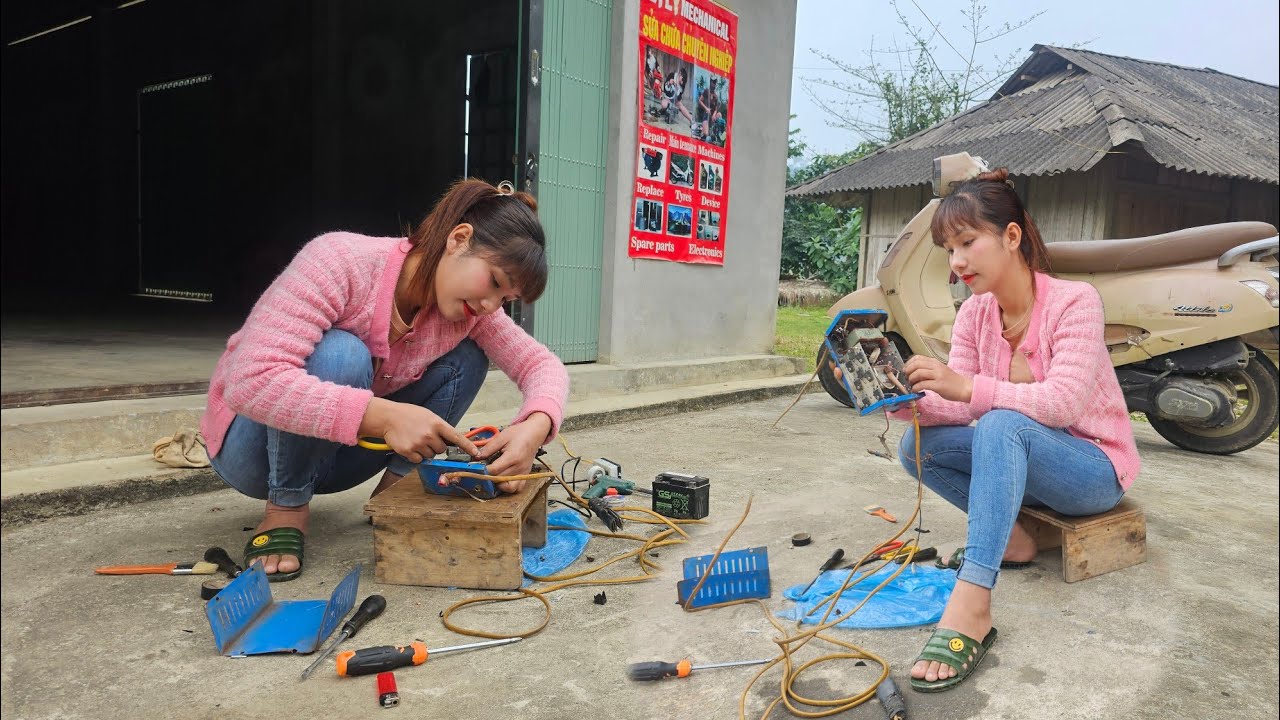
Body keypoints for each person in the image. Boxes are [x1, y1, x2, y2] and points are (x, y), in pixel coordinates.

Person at [201, 179, 570, 582]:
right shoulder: (341, 260)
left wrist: (534, 428)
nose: (489, 305)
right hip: (253, 454)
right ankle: (286, 506)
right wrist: (385, 416)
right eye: (495, 282)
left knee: (467, 358)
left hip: (336, 454)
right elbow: (250, 381)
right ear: (459, 239)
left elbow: (542, 366)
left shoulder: (474, 312)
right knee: (341, 354)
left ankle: (396, 493)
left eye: (505, 300)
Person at [894, 168, 1140, 692]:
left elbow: (1060, 404)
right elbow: (958, 408)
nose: (957, 262)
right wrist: (905, 401)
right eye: (948, 249)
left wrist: (964, 387)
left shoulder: (1076, 301)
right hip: (1024, 455)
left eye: (967, 243)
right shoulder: (974, 315)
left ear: (1011, 237)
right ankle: (1015, 542)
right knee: (918, 447)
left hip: (1093, 467)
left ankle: (973, 603)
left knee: (1003, 422)